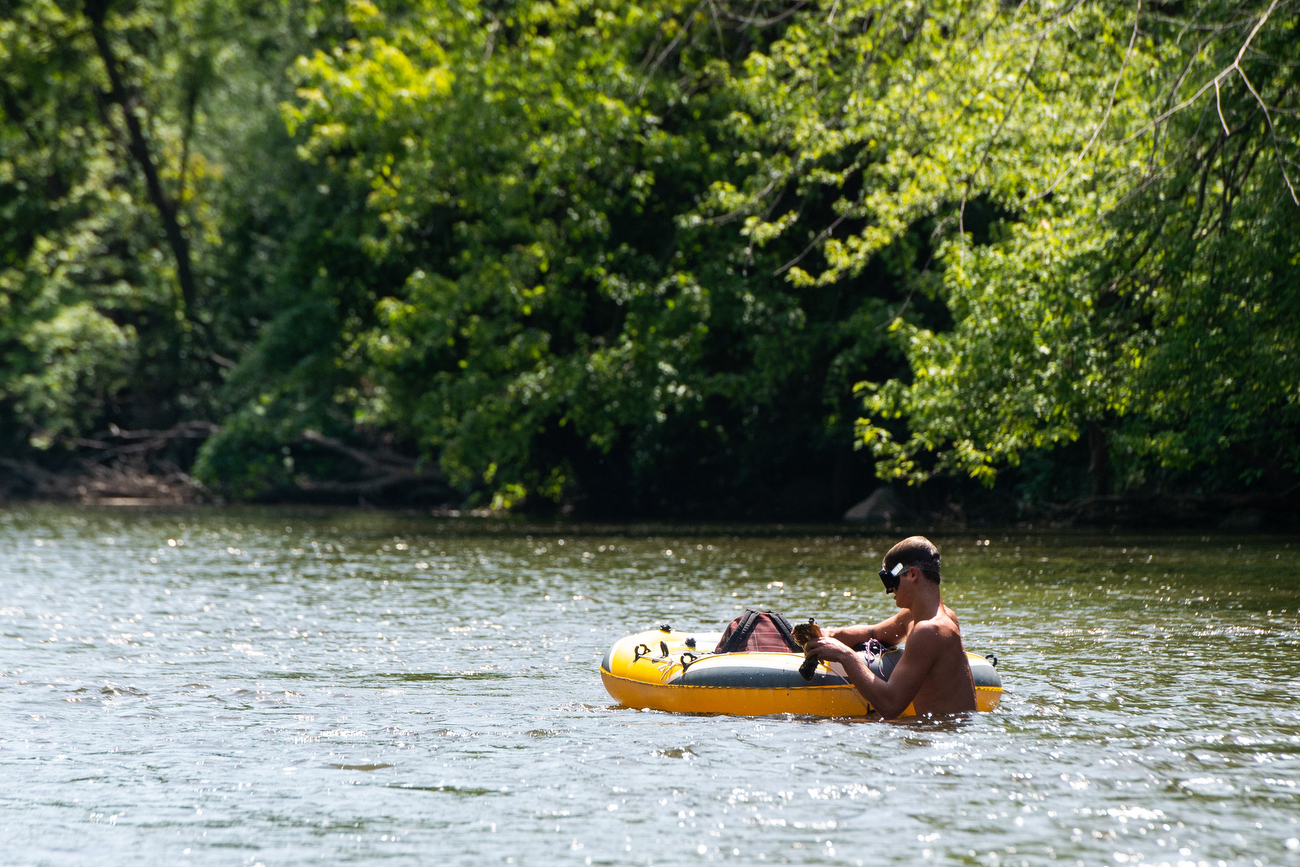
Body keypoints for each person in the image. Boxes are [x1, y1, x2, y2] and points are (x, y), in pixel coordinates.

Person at [803, 535, 977, 718]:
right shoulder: (921, 617)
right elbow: (873, 632)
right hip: (937, 729)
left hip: (943, 733)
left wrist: (844, 655)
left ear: (912, 574)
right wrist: (826, 634)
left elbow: (890, 706)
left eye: (890, 580)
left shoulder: (930, 631)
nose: (889, 590)